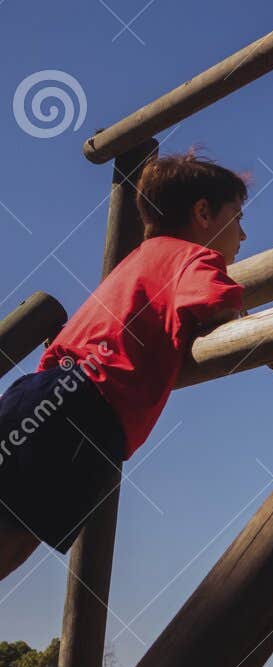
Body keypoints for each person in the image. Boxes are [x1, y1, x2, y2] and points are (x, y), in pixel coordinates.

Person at [0, 150, 248, 581]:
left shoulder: (134, 262)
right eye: (238, 217)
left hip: (38, 391)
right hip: (85, 412)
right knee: (12, 544)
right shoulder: (193, 257)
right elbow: (214, 303)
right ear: (203, 213)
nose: (243, 235)